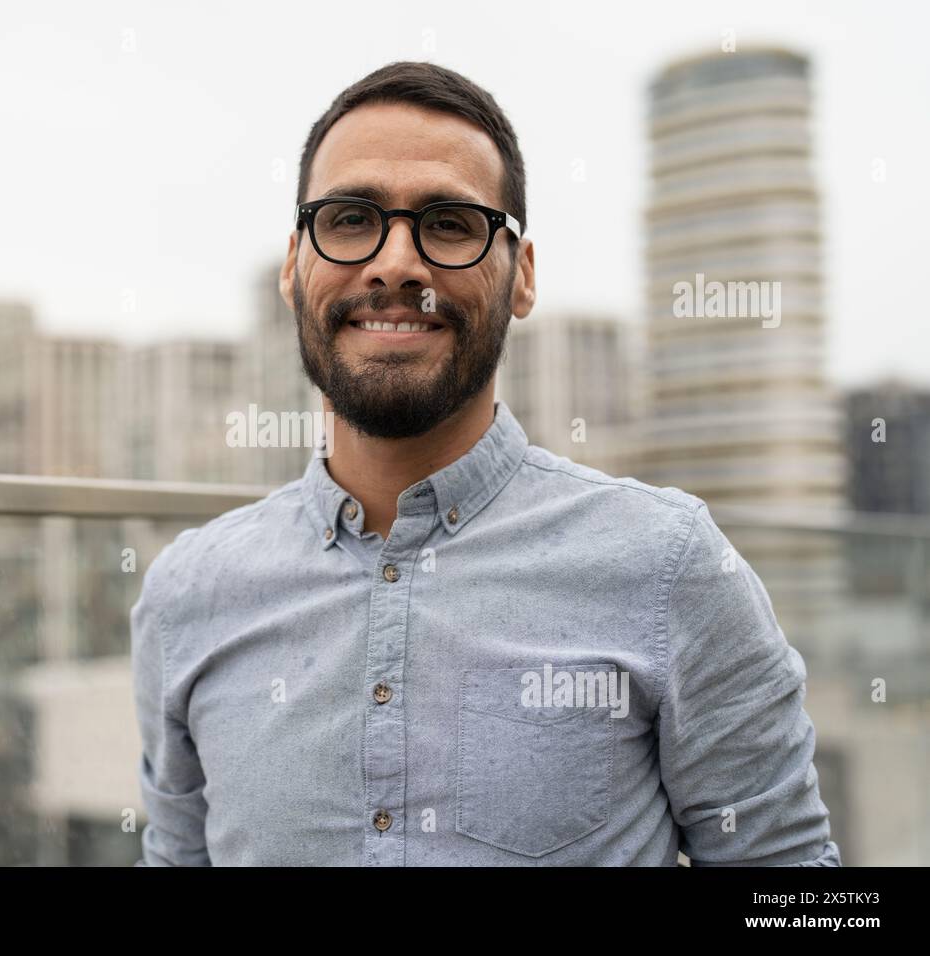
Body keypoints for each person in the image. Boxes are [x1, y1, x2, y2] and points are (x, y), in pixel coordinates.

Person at [130, 60, 841, 866]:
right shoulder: (188, 595)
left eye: (450, 224)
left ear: (522, 276)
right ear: (294, 267)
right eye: (351, 218)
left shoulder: (671, 567)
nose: (395, 264)